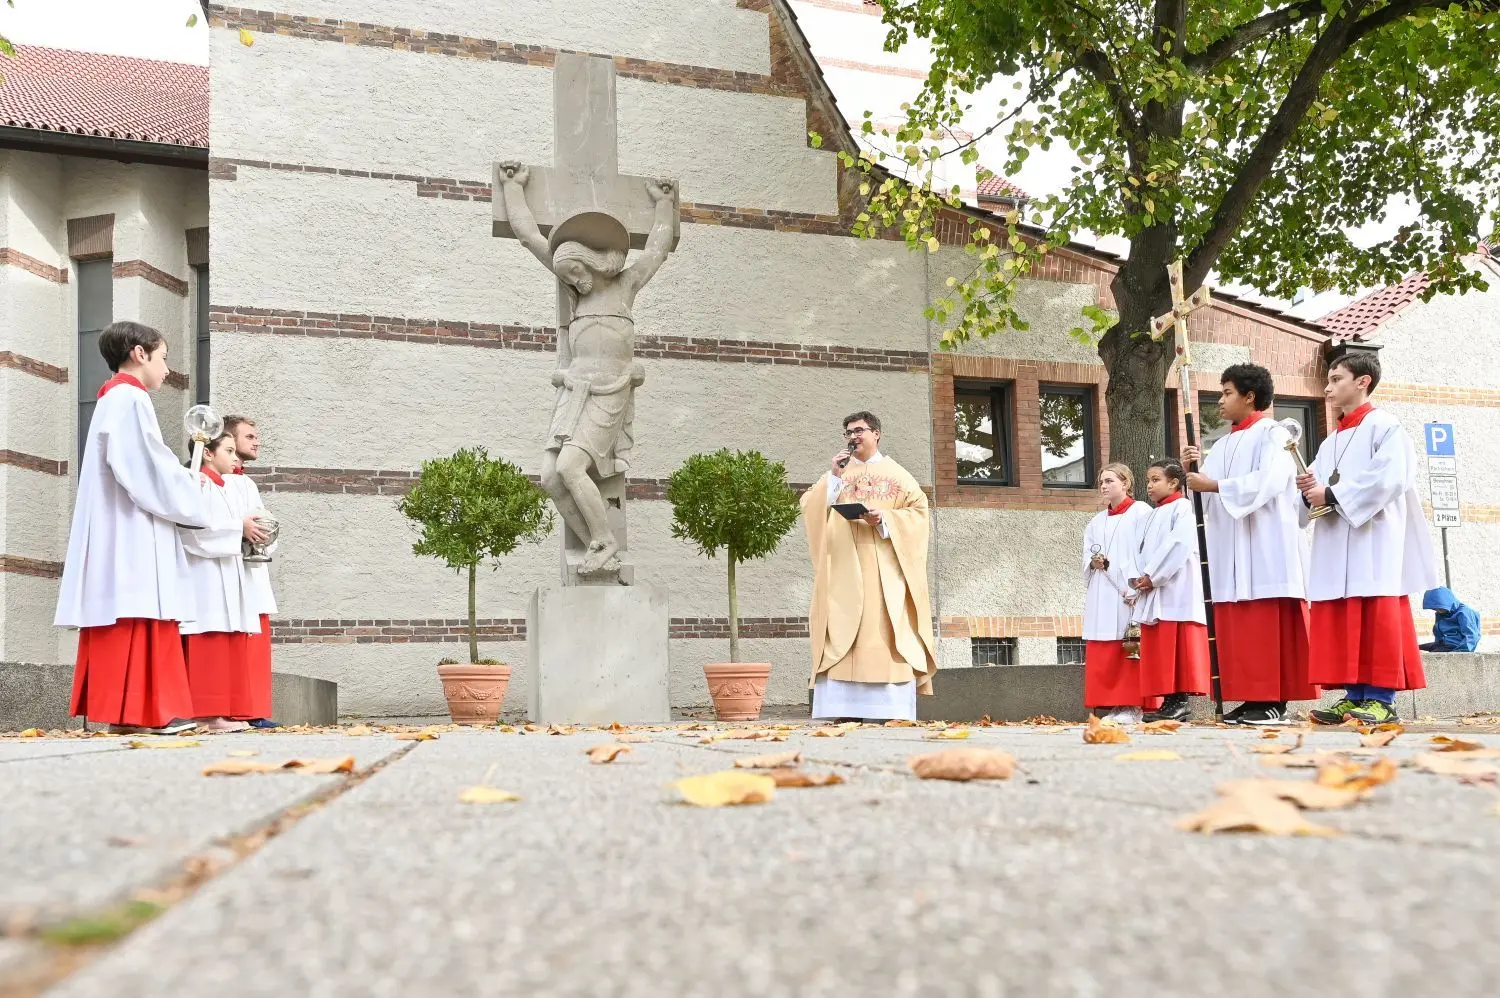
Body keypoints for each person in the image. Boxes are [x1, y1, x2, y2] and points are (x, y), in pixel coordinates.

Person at [54, 321, 209, 735]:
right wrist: (189, 485)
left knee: (127, 611)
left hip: (121, 522)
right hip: (131, 527)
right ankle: (148, 712)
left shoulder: (115, 399)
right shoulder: (129, 399)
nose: (167, 368)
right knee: (141, 607)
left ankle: (126, 717)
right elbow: (143, 467)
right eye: (163, 357)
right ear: (139, 354)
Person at [1297, 352, 1439, 725]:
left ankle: (1380, 697)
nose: (1328, 387)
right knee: (1343, 617)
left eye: (1336, 378)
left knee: (1375, 615)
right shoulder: (1331, 442)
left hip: (1374, 539)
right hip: (1336, 540)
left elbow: (1390, 478)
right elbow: (1317, 487)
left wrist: (1330, 495)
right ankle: (1354, 695)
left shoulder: (1385, 427)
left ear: (1363, 381)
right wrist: (1307, 490)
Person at [1183, 363, 1316, 726]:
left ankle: (1275, 700)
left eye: (1227, 393)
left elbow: (1271, 480)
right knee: (1239, 627)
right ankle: (1253, 697)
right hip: (1231, 547)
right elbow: (1207, 501)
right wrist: (1195, 477)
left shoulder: (1273, 434)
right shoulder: (1222, 443)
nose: (1220, 401)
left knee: (1266, 624)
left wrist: (1214, 486)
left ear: (1250, 396)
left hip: (1265, 543)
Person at [802, 411, 937, 721]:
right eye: (849, 431)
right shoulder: (838, 472)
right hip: (844, 571)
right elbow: (809, 505)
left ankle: (887, 708)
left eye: (859, 430)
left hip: (883, 571)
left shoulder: (898, 474)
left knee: (883, 632)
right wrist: (834, 478)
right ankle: (842, 709)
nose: (853, 436)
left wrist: (885, 519)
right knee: (841, 627)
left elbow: (918, 513)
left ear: (876, 434)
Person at [180, 433, 261, 732]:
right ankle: (206, 714)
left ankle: (222, 712)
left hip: (226, 568)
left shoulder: (225, 487)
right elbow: (192, 532)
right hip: (204, 576)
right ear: (209, 454)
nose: (235, 457)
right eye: (228, 450)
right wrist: (237, 528)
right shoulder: (197, 483)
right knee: (208, 640)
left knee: (226, 641)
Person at [1131, 459, 1211, 722]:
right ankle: (1169, 700)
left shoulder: (1184, 508)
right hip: (1155, 587)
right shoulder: (1153, 514)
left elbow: (1178, 545)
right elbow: (1140, 549)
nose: (1150, 485)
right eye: (1148, 481)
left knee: (1177, 645)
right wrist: (1139, 576)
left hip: (1177, 587)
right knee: (1161, 647)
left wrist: (1152, 575)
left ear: (1174, 482)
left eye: (1156, 480)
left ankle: (1179, 701)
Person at [1080, 463, 1154, 723]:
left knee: (1129, 646)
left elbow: (1149, 549)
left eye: (1110, 481)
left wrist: (1138, 582)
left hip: (1129, 591)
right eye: (1101, 481)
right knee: (1105, 646)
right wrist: (1093, 562)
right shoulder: (1096, 521)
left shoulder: (1142, 512)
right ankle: (1113, 705)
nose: (1104, 485)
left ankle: (1133, 706)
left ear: (1126, 483)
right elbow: (1087, 555)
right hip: (1103, 591)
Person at [225, 416, 278, 728]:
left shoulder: (246, 482)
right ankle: (239, 711)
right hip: (235, 570)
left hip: (252, 569)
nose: (256, 441)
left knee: (255, 641)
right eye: (249, 436)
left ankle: (253, 710)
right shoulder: (221, 482)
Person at [1420, 587, 1480, 652]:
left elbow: (1471, 637)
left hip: (1456, 647)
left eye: (1440, 607)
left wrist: (1457, 653)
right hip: (1442, 644)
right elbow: (1439, 635)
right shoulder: (1440, 614)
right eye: (1435, 608)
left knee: (1431, 656)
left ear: (1447, 602)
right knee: (1416, 648)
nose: (1438, 610)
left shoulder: (1464, 613)